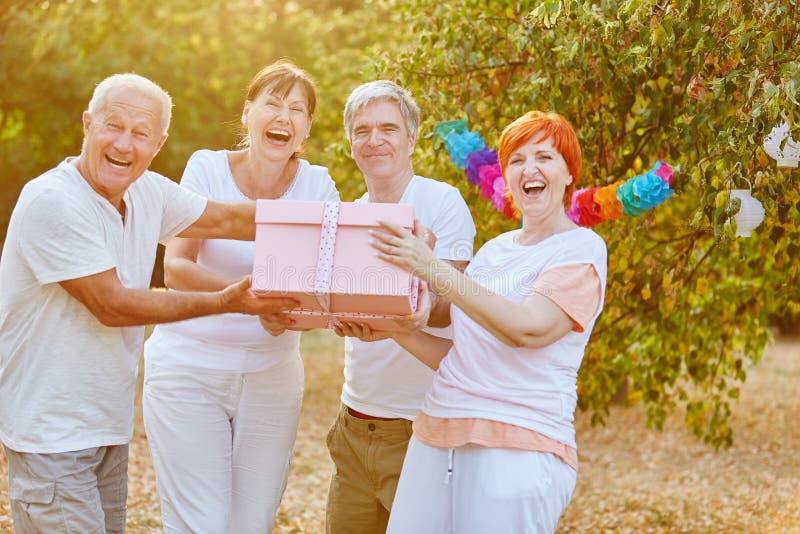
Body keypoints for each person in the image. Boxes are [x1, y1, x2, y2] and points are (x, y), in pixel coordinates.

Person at [0, 73, 298, 534]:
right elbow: (113, 305)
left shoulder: (147, 192)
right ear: (88, 124)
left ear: (158, 144)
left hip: (106, 430)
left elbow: (227, 219)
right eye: (113, 126)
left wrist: (349, 225)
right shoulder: (53, 201)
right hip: (51, 436)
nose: (124, 144)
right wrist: (224, 301)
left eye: (140, 133)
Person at [343, 110, 608, 533]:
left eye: (544, 157)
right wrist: (389, 327)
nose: (529, 169)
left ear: (569, 173)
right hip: (436, 435)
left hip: (518, 446)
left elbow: (528, 328)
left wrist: (430, 266)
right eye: (517, 160)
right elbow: (463, 357)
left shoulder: (580, 248)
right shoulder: (493, 251)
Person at [141, 60, 338, 533]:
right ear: (248, 112)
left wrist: (288, 313)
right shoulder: (207, 168)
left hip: (271, 374)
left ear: (307, 127)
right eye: (273, 103)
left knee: (251, 523)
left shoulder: (318, 185)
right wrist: (242, 299)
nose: (284, 116)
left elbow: (326, 284)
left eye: (297, 109)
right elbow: (177, 267)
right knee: (201, 524)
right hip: (189, 367)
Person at [322, 80, 476, 533]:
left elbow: (452, 303)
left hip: (418, 425)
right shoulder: (348, 215)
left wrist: (415, 311)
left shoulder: (441, 201)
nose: (375, 140)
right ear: (351, 144)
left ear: (411, 139)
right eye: (362, 130)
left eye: (388, 128)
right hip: (353, 422)